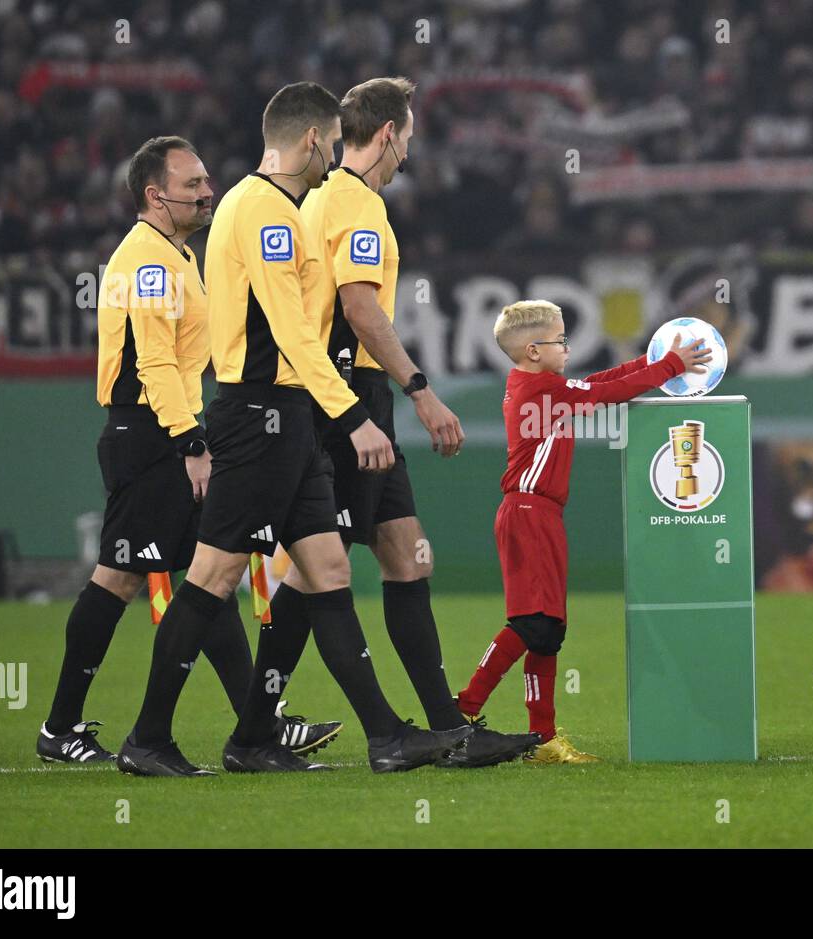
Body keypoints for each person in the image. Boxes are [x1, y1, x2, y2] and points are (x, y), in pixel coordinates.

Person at [116, 83, 471, 777]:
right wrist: (355, 415)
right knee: (213, 575)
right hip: (257, 415)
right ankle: (148, 738)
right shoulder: (264, 214)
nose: (336, 155)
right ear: (313, 140)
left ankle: (380, 736)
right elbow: (291, 332)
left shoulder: (280, 210)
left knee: (328, 568)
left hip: (292, 418)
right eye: (334, 143)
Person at [37, 135, 339, 765]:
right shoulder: (149, 262)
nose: (207, 193)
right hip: (150, 434)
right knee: (120, 579)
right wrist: (191, 441)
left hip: (166, 431)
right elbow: (154, 364)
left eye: (205, 182)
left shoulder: (174, 255)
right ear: (156, 195)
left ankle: (259, 724)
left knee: (212, 577)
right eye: (193, 185)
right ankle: (61, 727)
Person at [298, 76, 540, 768]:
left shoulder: (324, 200)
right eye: (406, 138)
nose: (407, 153)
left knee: (406, 553)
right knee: (319, 567)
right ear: (385, 134)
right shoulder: (358, 207)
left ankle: (450, 728)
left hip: (356, 397)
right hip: (350, 401)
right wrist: (422, 391)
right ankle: (262, 724)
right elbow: (360, 309)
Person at [455, 301, 710, 762]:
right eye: (561, 341)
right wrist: (672, 366)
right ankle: (460, 712)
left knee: (548, 630)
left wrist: (652, 362)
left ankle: (543, 739)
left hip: (541, 515)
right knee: (531, 624)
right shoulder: (538, 389)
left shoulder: (544, 385)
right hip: (528, 513)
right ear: (533, 350)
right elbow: (604, 395)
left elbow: (596, 385)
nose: (568, 348)